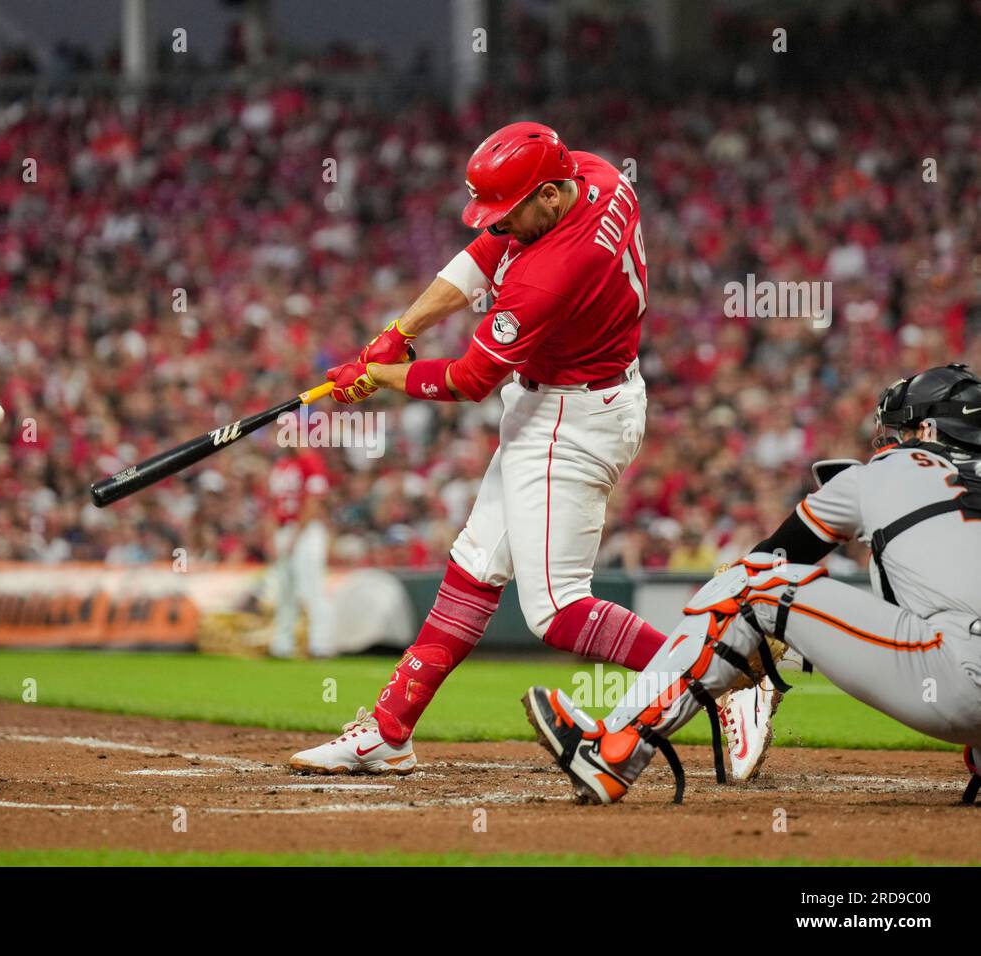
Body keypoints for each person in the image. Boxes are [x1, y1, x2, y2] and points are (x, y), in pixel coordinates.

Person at [290, 121, 771, 778]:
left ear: (548, 194)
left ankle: (731, 683)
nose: (496, 223)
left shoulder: (552, 272)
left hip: (570, 420)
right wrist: (398, 331)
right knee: (475, 566)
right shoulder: (597, 173)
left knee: (556, 608)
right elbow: (484, 251)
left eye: (508, 209)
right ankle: (388, 731)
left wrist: (377, 376)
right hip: (571, 399)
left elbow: (466, 379)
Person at [523, 364, 981, 804]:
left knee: (751, 587)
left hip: (958, 681)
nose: (895, 440)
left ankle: (613, 751)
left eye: (903, 429)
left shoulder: (882, 472)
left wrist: (755, 650)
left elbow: (770, 559)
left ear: (926, 432)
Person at [268, 449, 334, 657]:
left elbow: (314, 502)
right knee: (285, 590)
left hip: (307, 531)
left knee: (312, 588)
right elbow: (274, 503)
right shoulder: (281, 465)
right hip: (284, 529)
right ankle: (283, 643)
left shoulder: (311, 461)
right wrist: (272, 535)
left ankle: (320, 643)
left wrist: (296, 534)